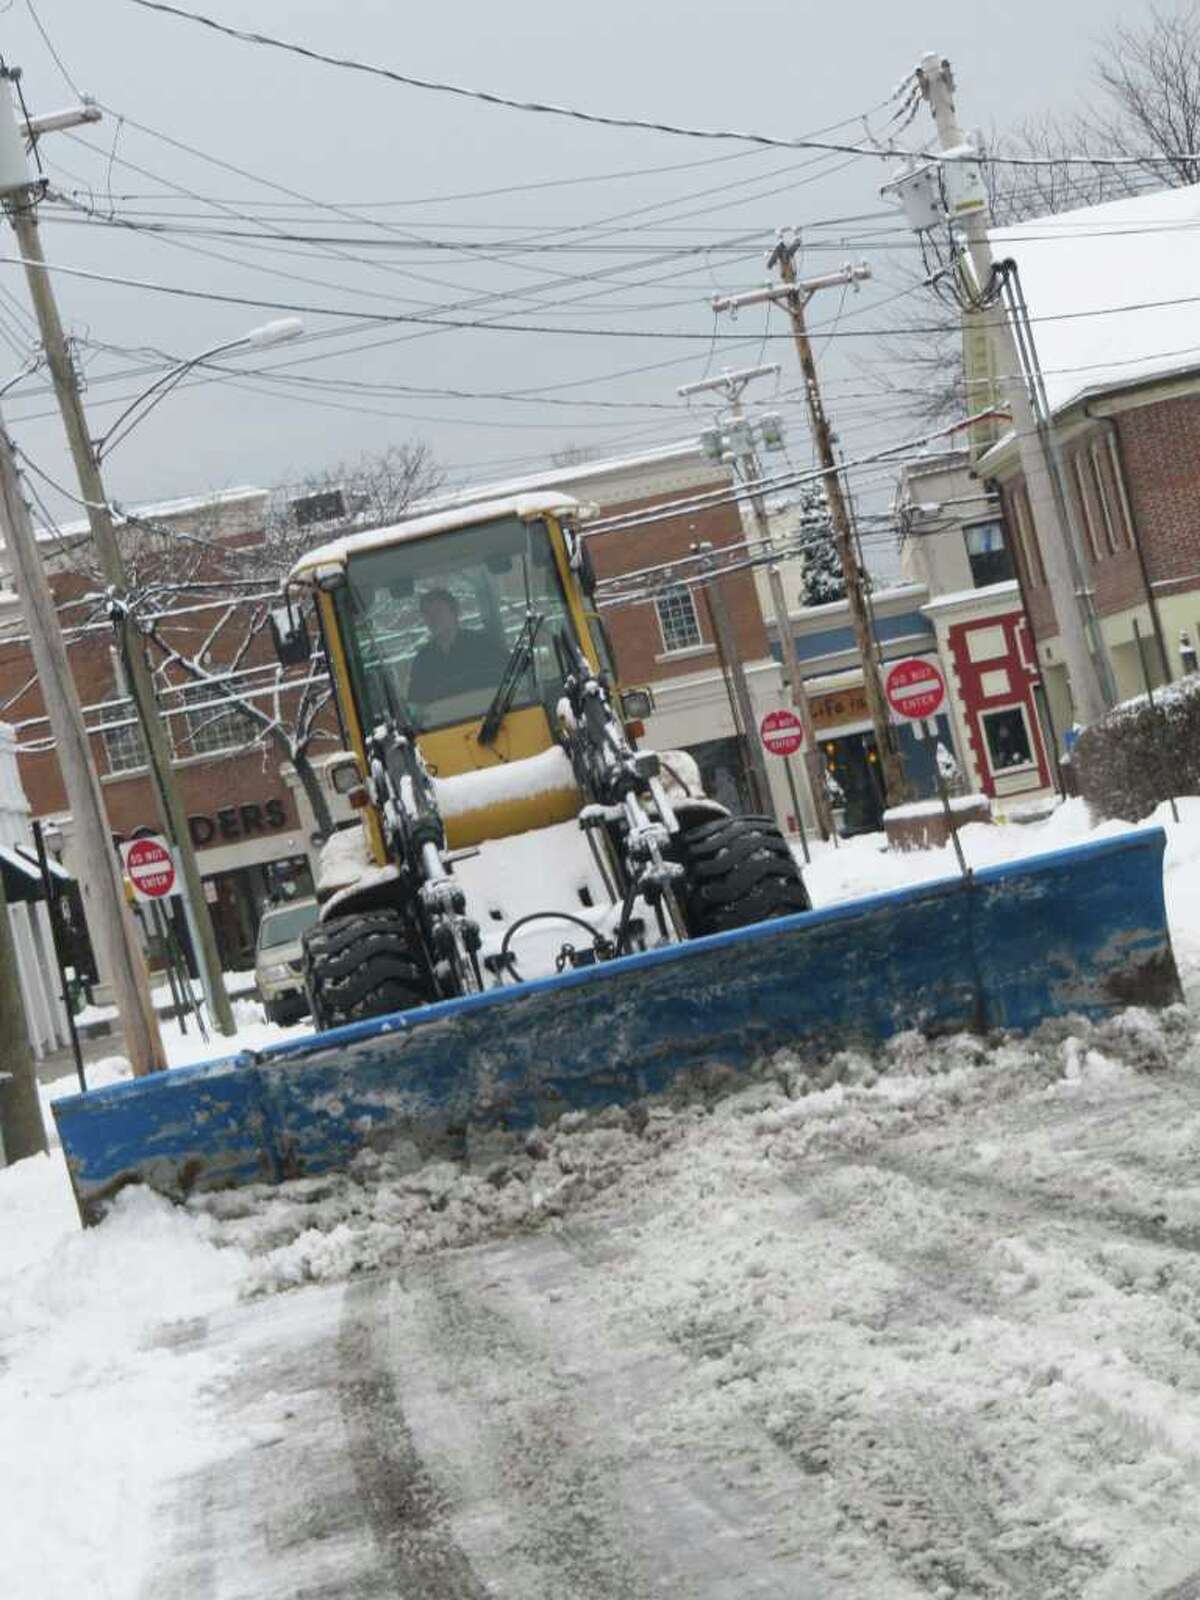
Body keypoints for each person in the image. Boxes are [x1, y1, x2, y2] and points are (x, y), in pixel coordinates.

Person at [407, 586, 509, 707]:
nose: (433, 619)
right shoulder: (422, 661)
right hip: (444, 723)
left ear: (454, 613)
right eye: (427, 614)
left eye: (438, 611)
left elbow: (509, 681)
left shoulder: (483, 645)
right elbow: (416, 705)